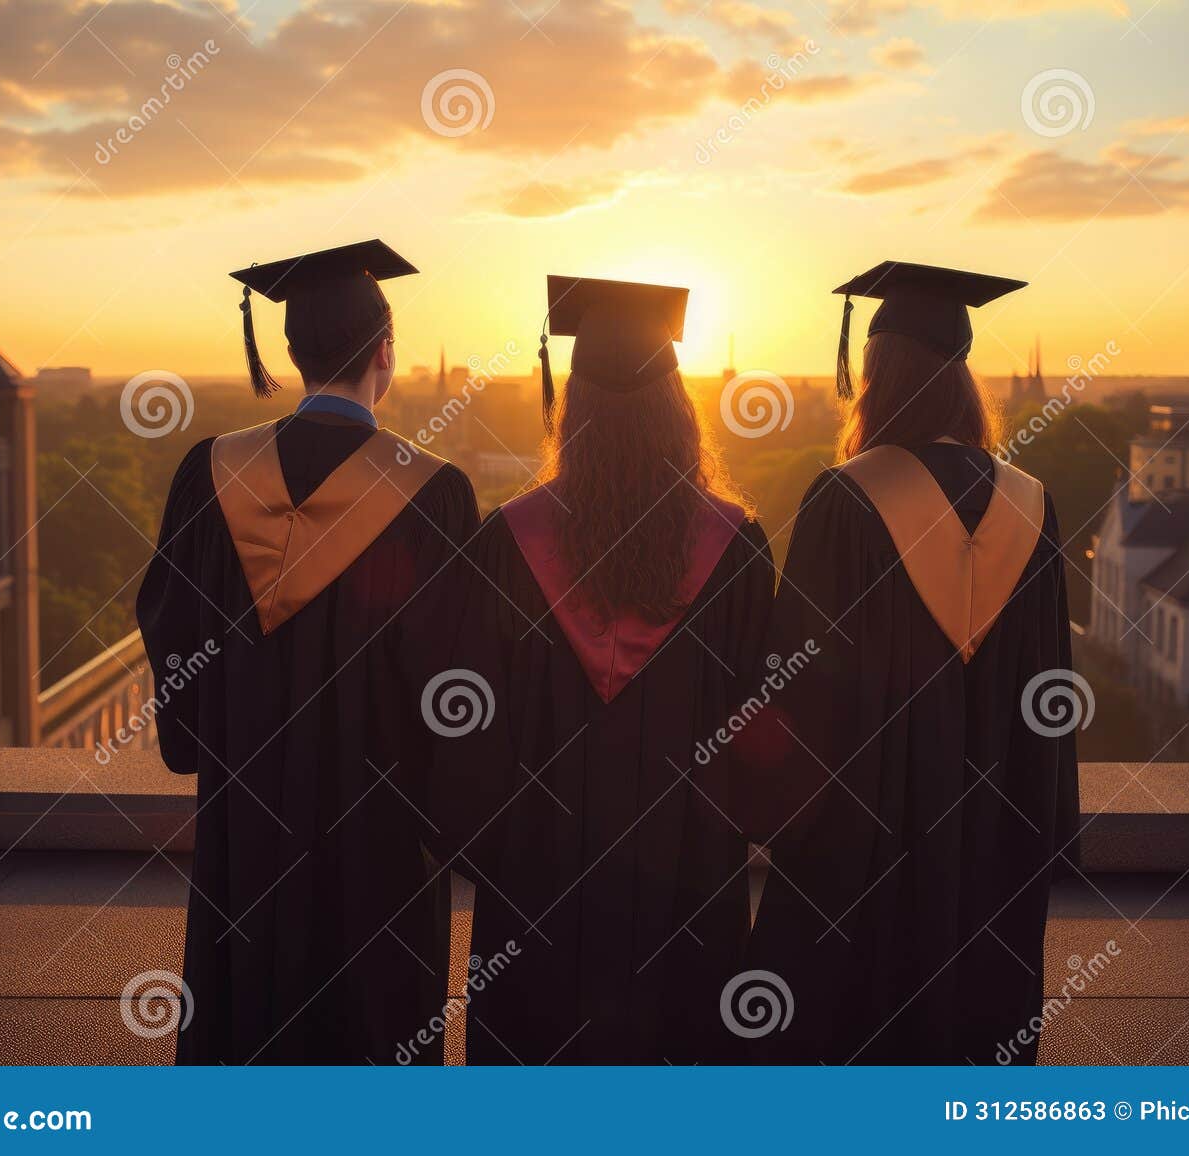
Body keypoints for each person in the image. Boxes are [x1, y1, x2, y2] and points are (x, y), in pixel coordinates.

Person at [136, 239, 479, 1064]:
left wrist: (204, 738)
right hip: (381, 846)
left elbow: (170, 626)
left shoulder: (210, 472)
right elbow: (458, 684)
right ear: (386, 352)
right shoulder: (432, 493)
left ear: (288, 351)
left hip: (244, 829)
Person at [739, 261, 1078, 1065]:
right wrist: (1040, 831)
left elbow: (802, 693)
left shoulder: (846, 500)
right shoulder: (1032, 503)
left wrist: (765, 808)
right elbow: (1050, 696)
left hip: (863, 861)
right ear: (963, 375)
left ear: (873, 373)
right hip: (992, 855)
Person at [432, 276, 775, 1064]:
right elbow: (764, 729)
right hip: (688, 882)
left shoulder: (508, 543)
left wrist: (497, 846)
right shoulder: (736, 545)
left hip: (541, 884)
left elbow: (466, 723)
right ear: (678, 409)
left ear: (570, 406)